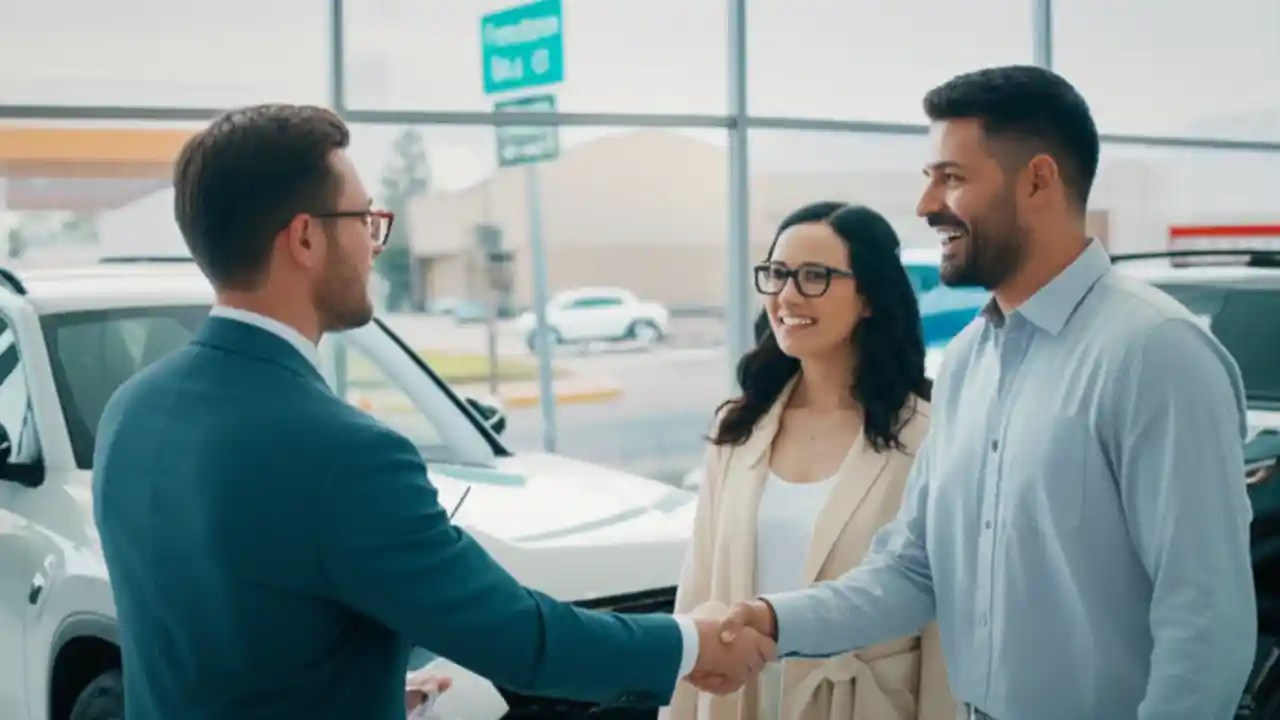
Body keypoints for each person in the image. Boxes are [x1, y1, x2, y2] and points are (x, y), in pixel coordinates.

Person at [91, 103, 775, 720]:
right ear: (304, 238)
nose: (372, 243)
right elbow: (520, 641)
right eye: (364, 219)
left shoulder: (130, 411)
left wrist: (362, 687)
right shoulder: (344, 454)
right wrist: (692, 642)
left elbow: (220, 638)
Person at [714, 65, 1257, 720]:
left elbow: (1206, 621)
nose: (925, 206)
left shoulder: (1155, 354)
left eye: (953, 177)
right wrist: (773, 621)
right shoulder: (972, 358)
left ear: (1037, 180)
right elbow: (913, 572)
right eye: (929, 179)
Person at [666, 202, 955, 720]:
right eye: (777, 275)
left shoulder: (928, 434)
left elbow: (941, 632)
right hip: (738, 702)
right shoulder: (740, 426)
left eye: (814, 276)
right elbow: (697, 591)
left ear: (868, 297)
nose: (787, 295)